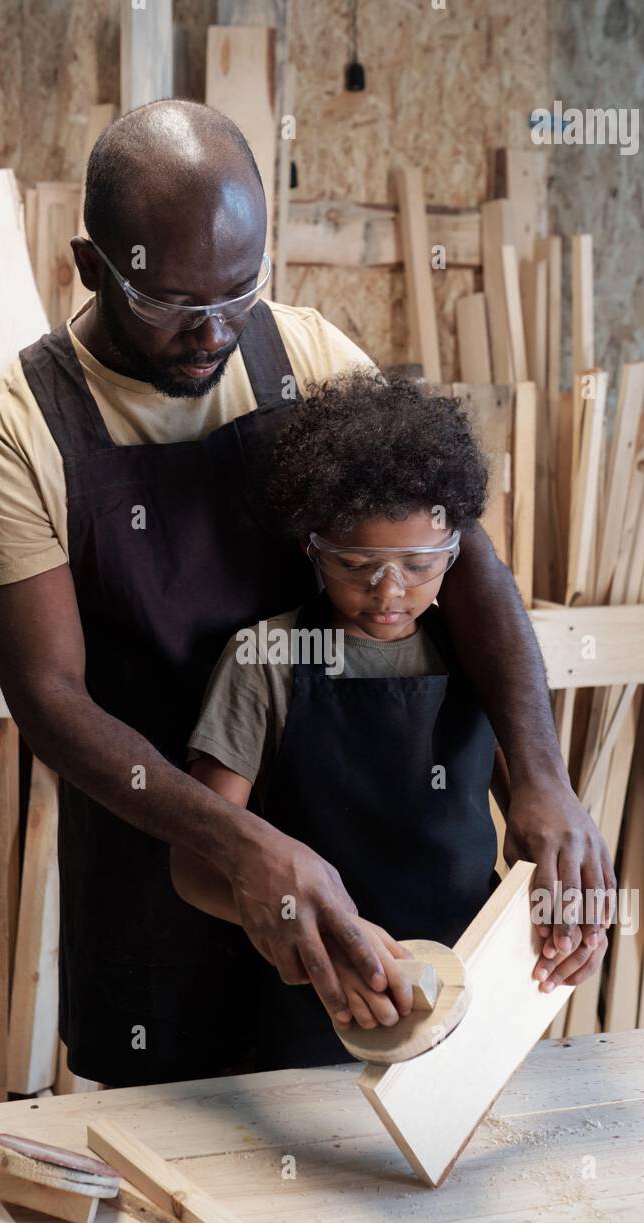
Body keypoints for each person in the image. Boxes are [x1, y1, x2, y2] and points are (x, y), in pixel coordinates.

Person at [0, 99, 612, 1087]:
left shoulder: (300, 356)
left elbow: (460, 554)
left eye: (239, 290)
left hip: (354, 869)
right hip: (166, 874)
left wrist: (538, 772)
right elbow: (48, 699)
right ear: (94, 269)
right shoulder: (15, 434)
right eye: (177, 304)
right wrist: (238, 841)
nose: (215, 331)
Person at [171, 371, 522, 1067]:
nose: (390, 592)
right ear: (313, 546)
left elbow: (534, 835)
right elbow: (196, 865)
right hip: (312, 1002)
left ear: (456, 550)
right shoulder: (267, 659)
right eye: (358, 564)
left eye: (421, 566)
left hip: (464, 997)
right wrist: (309, 930)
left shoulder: (487, 658)